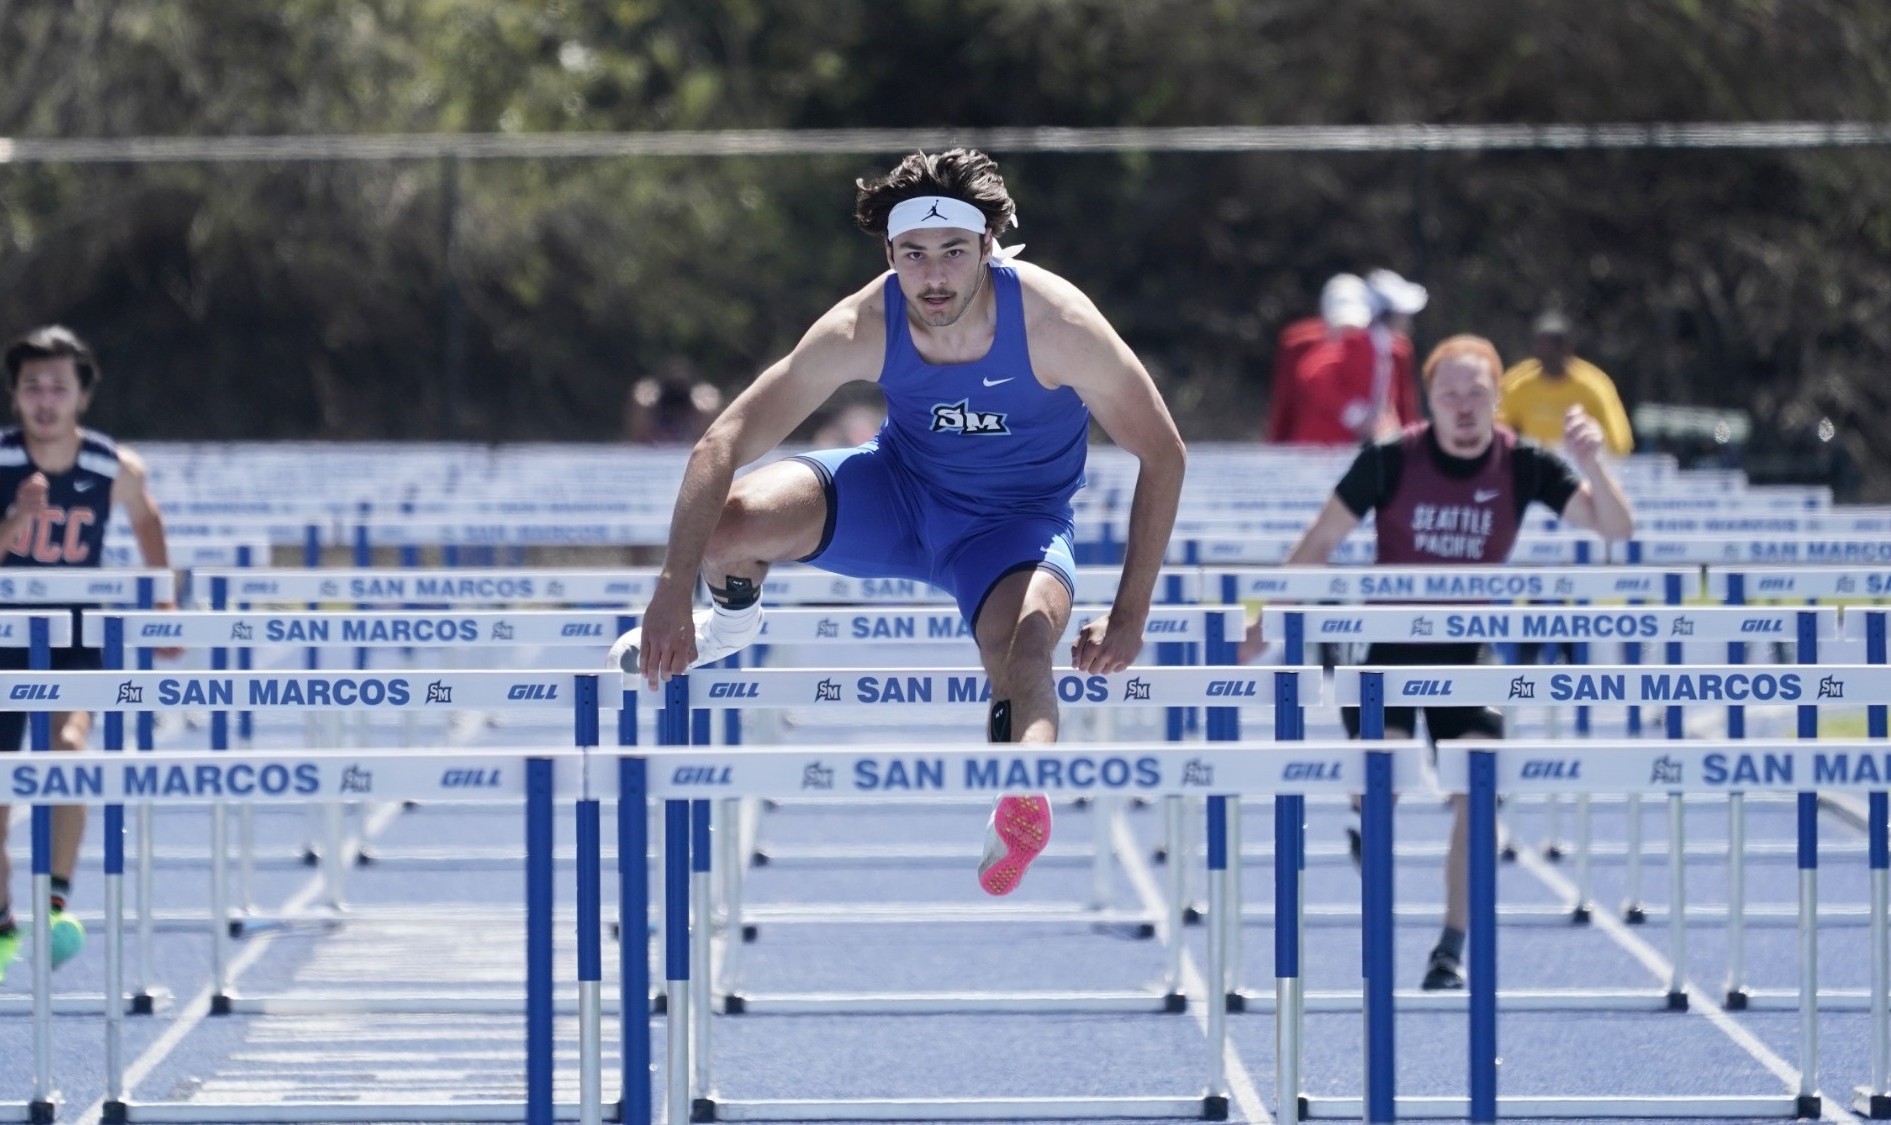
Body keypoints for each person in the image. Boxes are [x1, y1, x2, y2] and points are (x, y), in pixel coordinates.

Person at [608, 148, 1186, 896]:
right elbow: (724, 439)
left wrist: (1132, 612)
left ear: (988, 247)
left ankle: (1021, 797)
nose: (935, 277)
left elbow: (1163, 453)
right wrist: (670, 585)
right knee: (730, 526)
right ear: (890, 254)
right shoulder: (861, 322)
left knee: (1025, 648)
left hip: (1012, 528)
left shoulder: (1056, 321)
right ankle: (731, 618)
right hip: (896, 494)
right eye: (914, 256)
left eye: (952, 253)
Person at [1282, 334, 1634, 989]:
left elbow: (1614, 528)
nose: (1464, 406)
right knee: (1379, 782)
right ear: (1430, 401)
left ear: (1500, 398)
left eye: (1477, 394)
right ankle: (1365, 815)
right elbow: (1321, 540)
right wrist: (1262, 622)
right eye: (1450, 394)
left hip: (1467, 654)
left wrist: (1595, 466)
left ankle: (1450, 946)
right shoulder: (1390, 459)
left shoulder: (1525, 463)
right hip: (1387, 651)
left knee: (1477, 796)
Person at [0, 325, 176, 982]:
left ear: (82, 393)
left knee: (69, 750)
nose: (44, 400)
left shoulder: (115, 465)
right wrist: (15, 522)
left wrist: (163, 603)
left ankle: (54, 905)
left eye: (58, 386)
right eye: (31, 388)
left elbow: (149, 522)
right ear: (14, 396)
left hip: (78, 637)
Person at [1275, 271, 1426, 445]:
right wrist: (1355, 415)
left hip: (1350, 445)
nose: (1408, 321)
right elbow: (1313, 373)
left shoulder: (1384, 347)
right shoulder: (1360, 342)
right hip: (1325, 445)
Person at [1498, 311, 1634, 456]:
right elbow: (1496, 431)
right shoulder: (1517, 384)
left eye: (1554, 349)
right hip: (1534, 467)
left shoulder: (1594, 386)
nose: (1547, 357)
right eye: (1542, 350)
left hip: (1580, 468)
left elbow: (1620, 443)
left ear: (1568, 349)